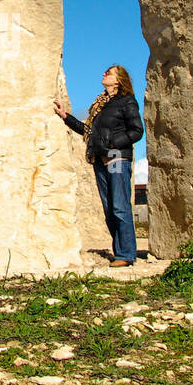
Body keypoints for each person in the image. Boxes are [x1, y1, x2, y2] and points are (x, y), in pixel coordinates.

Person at [53, 65, 143, 266]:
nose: (104, 74)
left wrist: (113, 143)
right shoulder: (101, 105)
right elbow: (89, 131)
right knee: (109, 209)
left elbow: (137, 131)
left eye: (109, 73)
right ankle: (120, 252)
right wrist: (65, 116)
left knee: (120, 206)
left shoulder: (126, 101)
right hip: (100, 159)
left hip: (116, 158)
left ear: (118, 80)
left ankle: (126, 255)